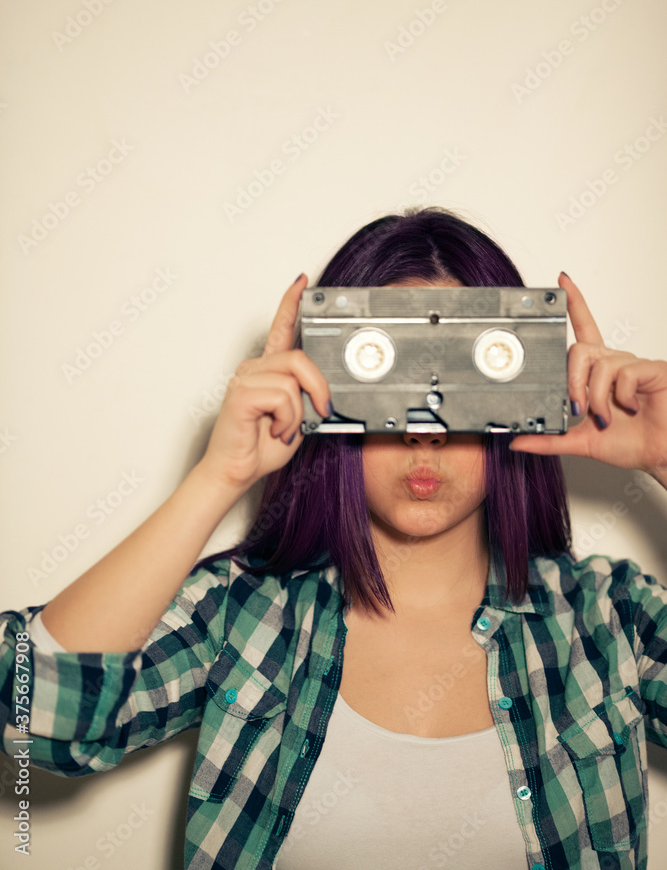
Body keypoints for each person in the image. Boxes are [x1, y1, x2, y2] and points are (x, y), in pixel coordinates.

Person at [1, 206, 666, 870]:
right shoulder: (242, 614)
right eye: (389, 380)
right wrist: (218, 476)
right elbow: (36, 719)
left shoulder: (612, 616)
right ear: (329, 392)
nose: (424, 431)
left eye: (461, 382)